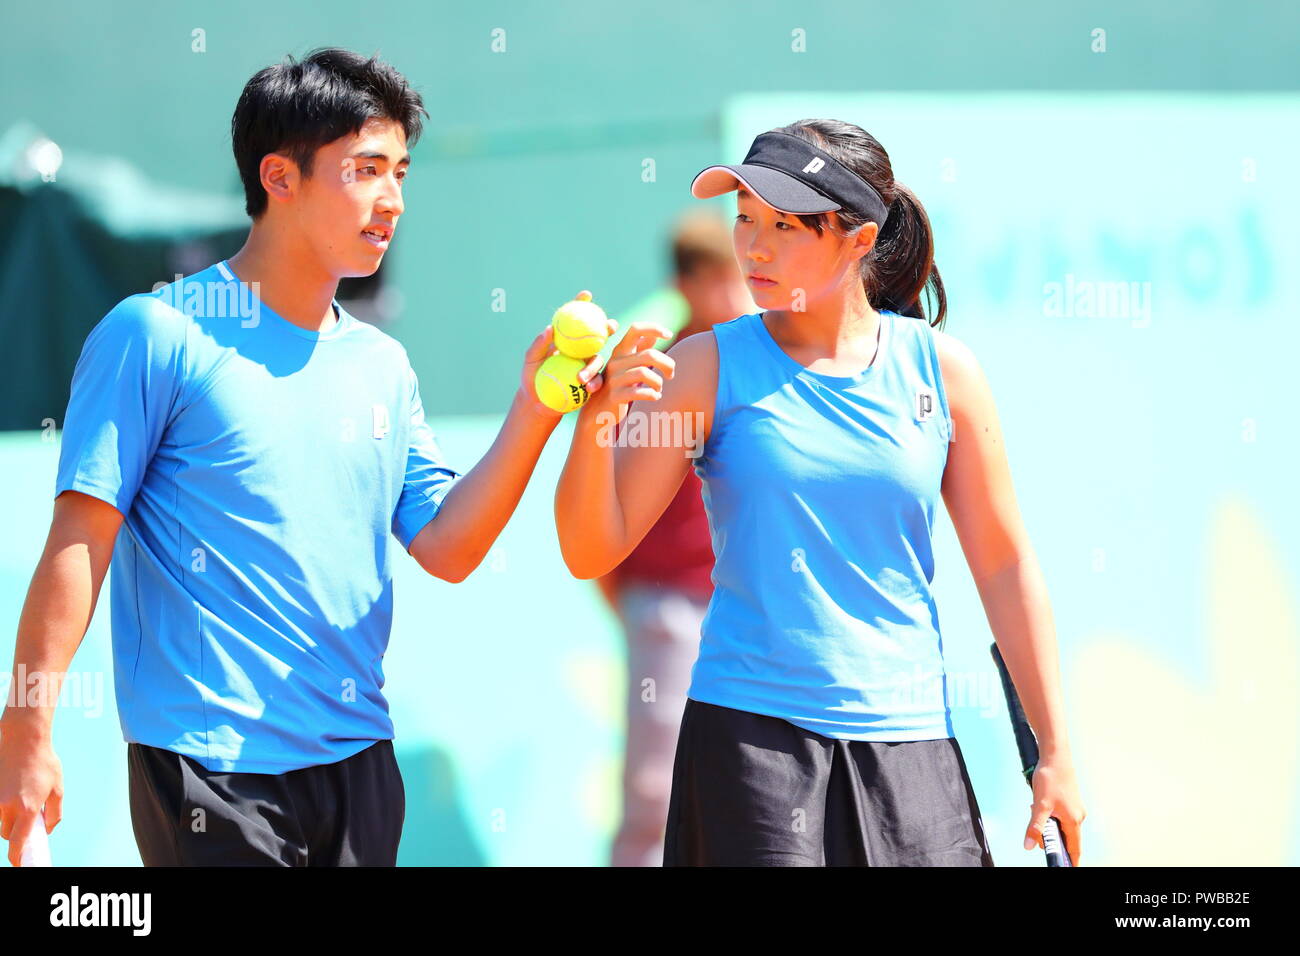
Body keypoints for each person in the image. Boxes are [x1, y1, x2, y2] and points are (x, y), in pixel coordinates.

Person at [0, 48, 613, 867]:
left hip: (359, 764)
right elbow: (79, 545)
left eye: (400, 171)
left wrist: (537, 409)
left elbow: (449, 547)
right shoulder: (153, 335)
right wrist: (27, 727)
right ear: (279, 178)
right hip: (209, 768)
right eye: (364, 170)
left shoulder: (383, 367)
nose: (391, 199)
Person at [555, 119, 1086, 866]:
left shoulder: (946, 374)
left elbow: (1004, 565)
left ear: (860, 239)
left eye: (785, 225)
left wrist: (1056, 752)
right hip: (750, 746)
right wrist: (596, 423)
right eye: (744, 220)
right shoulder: (706, 365)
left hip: (913, 746)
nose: (755, 247)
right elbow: (591, 548)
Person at [594, 212, 753, 867]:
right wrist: (633, 602)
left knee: (752, 788)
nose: (738, 292)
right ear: (687, 284)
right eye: (722, 278)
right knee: (655, 787)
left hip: (745, 611)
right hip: (667, 605)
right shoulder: (652, 377)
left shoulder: (752, 367)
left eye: (740, 276)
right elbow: (605, 507)